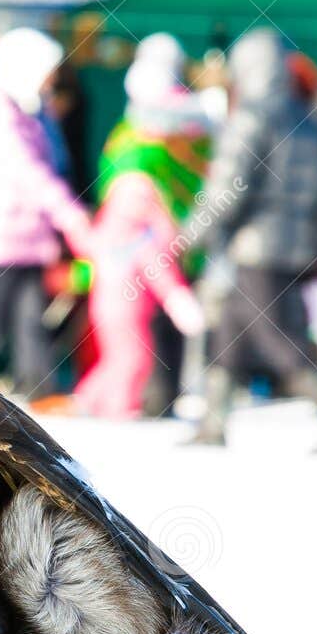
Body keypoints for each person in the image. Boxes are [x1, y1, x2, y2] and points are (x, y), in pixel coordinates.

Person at [187, 29, 317, 448]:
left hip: (256, 244)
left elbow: (227, 188)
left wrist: (190, 235)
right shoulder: (305, 118)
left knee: (272, 336)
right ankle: (213, 422)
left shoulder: (251, 115)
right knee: (229, 332)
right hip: (293, 248)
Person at [0, 27, 92, 398]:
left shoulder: (27, 108)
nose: (52, 79)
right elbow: (30, 171)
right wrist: (71, 215)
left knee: (31, 321)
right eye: (47, 70)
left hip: (27, 237)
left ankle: (42, 392)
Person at [97, 33, 212, 414]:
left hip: (160, 236)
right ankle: (149, 398)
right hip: (163, 237)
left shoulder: (138, 127)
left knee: (148, 328)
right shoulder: (184, 122)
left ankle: (152, 397)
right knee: (150, 329)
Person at [74, 170, 203, 418]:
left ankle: (89, 399)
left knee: (117, 358)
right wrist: (179, 301)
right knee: (133, 359)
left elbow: (84, 244)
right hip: (128, 313)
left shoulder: (106, 233)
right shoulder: (142, 242)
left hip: (104, 310)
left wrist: (76, 223)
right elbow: (164, 274)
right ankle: (119, 407)